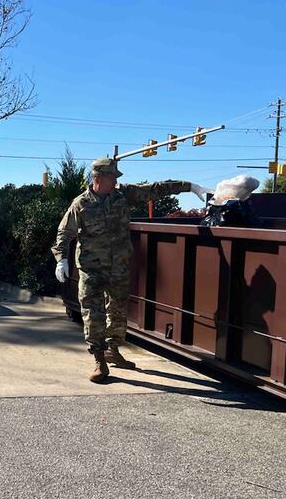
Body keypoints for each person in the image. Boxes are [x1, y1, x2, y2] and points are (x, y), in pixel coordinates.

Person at [51, 158, 211, 383]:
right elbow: (64, 232)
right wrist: (61, 259)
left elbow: (155, 189)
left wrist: (190, 187)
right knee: (93, 314)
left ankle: (113, 350)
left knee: (118, 311)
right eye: (112, 178)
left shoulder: (122, 196)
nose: (115, 182)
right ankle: (99, 360)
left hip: (119, 266)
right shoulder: (81, 204)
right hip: (92, 269)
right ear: (98, 178)